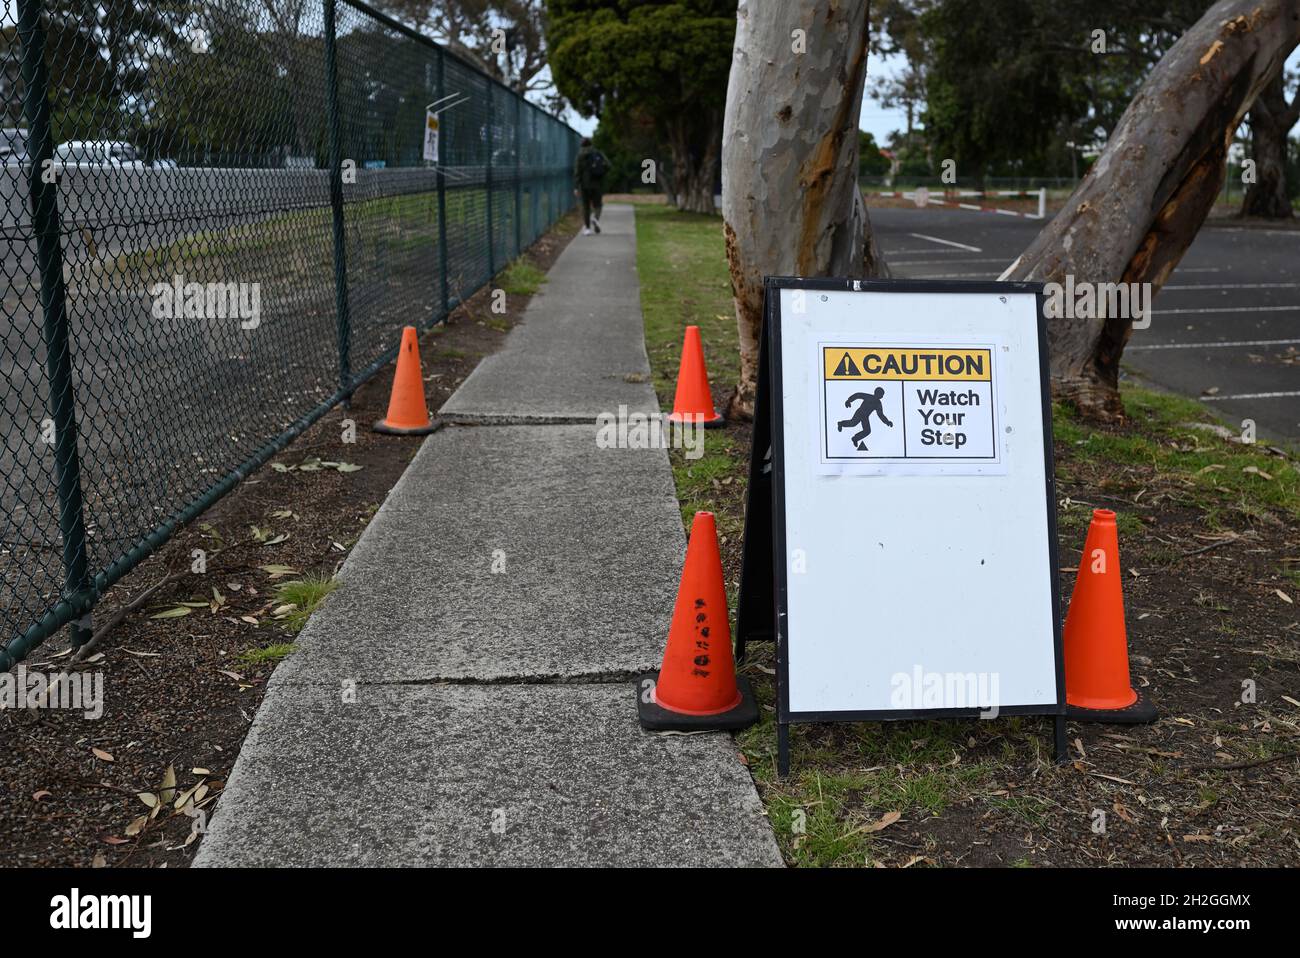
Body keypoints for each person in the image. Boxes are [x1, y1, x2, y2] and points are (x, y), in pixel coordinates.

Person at [573, 137, 608, 235]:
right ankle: (596, 218)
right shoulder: (598, 153)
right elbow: (608, 165)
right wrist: (601, 174)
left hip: (584, 185)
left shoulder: (579, 156)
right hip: (597, 184)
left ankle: (587, 228)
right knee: (598, 205)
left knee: (586, 206)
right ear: (591, 144)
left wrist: (576, 186)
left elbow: (577, 172)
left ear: (581, 145)